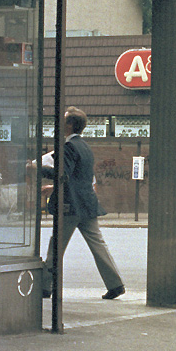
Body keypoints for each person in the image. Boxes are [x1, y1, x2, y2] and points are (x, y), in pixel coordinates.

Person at [34, 107, 125, 300]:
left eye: (63, 120)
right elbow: (78, 177)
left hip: (70, 206)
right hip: (87, 203)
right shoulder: (84, 146)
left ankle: (44, 287)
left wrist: (37, 169)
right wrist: (53, 188)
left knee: (56, 245)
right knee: (98, 244)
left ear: (70, 124)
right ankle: (115, 284)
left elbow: (62, 174)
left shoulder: (68, 147)